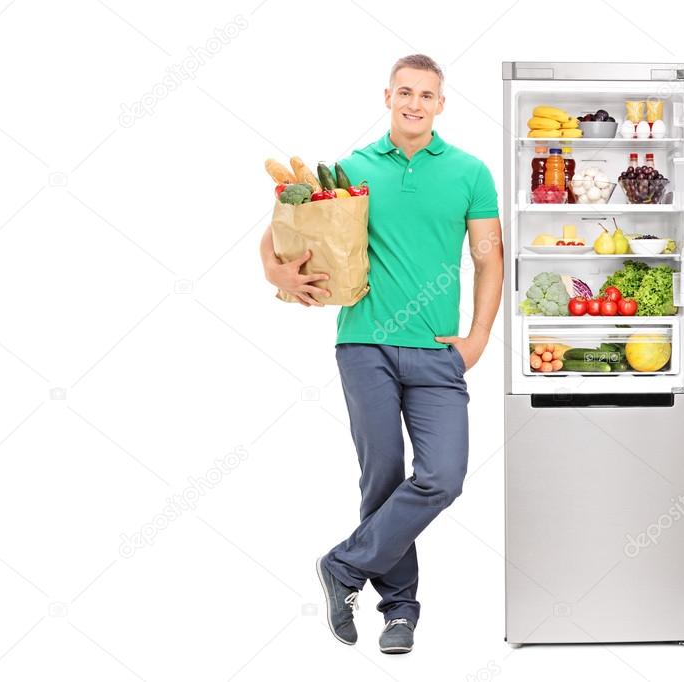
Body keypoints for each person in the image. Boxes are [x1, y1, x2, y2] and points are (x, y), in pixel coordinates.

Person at [259, 54, 503, 654]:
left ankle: (343, 565)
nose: (415, 103)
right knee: (384, 476)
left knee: (443, 477)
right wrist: (277, 273)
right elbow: (281, 228)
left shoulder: (470, 172)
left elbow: (489, 257)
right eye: (405, 93)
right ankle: (400, 612)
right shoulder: (353, 168)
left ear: (441, 104)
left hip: (438, 351)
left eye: (427, 95)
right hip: (364, 342)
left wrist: (478, 337)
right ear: (387, 97)